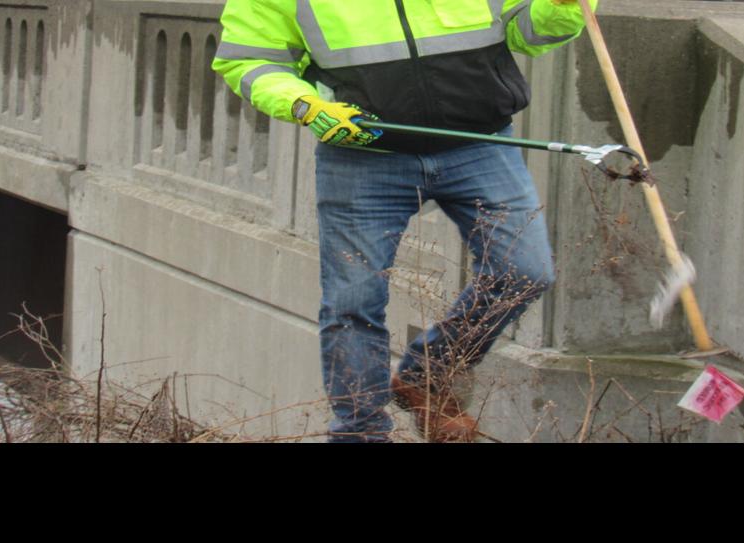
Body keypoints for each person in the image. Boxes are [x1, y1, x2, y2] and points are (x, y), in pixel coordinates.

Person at [212, 0, 598, 442]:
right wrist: (305, 105)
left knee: (525, 272)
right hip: (363, 156)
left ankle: (427, 374)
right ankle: (361, 432)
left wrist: (560, 5)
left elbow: (527, 32)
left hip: (480, 144)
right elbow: (248, 60)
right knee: (352, 303)